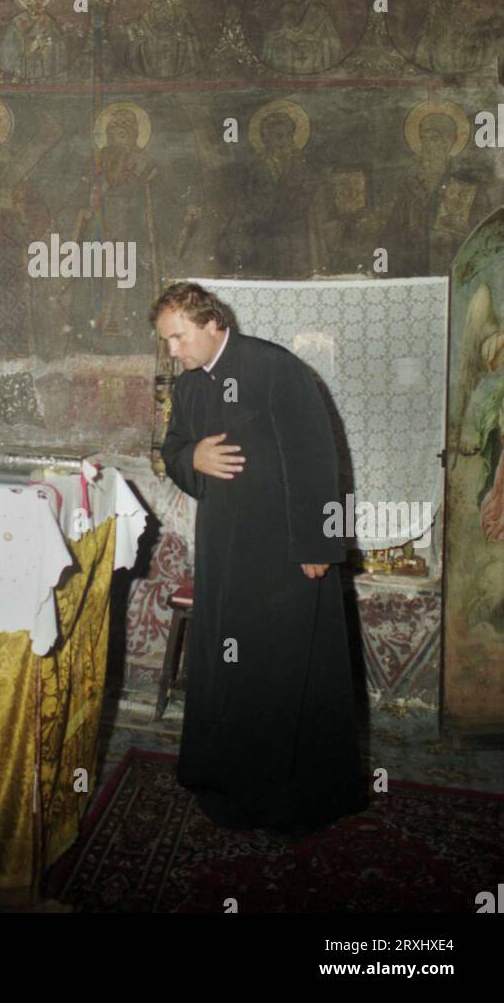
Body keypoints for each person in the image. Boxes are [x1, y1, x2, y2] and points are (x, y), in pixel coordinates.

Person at [152, 281, 366, 834]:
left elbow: (317, 456)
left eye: (178, 338)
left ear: (210, 321)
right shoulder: (191, 387)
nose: (172, 351)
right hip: (225, 551)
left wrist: (321, 544)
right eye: (166, 341)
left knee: (280, 671)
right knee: (231, 667)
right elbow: (173, 449)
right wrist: (191, 455)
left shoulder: (276, 368)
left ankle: (290, 799)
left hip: (285, 555)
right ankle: (228, 781)